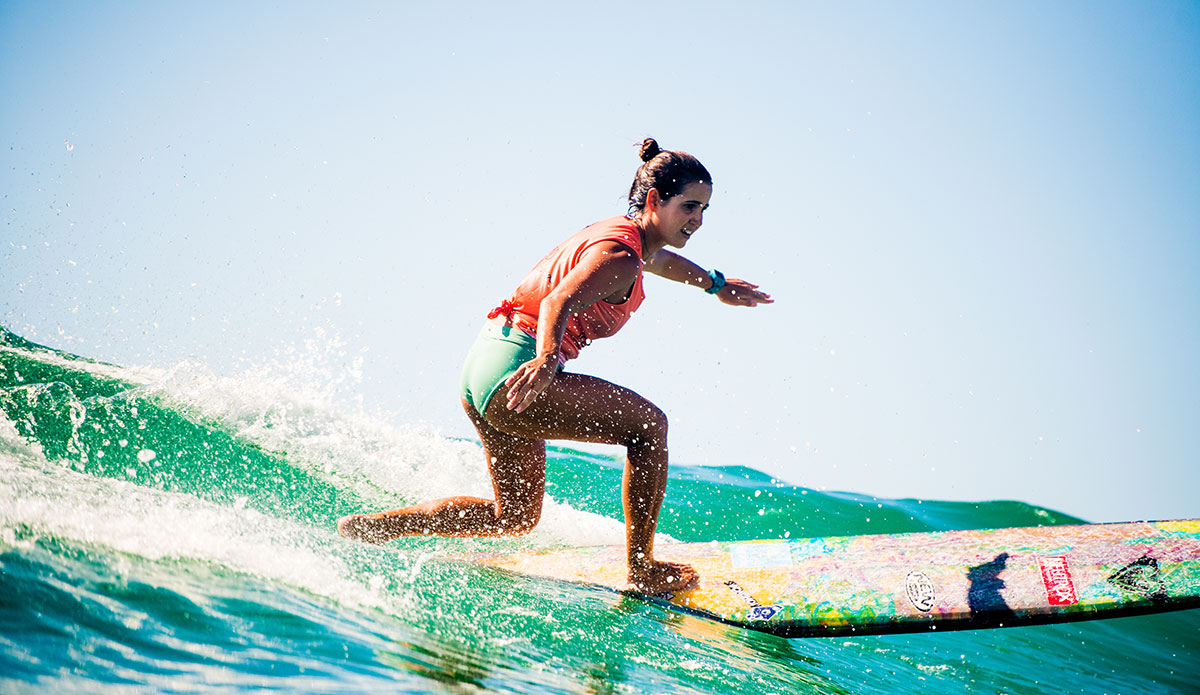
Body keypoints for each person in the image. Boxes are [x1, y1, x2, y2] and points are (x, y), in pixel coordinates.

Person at [338, 138, 773, 593]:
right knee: (649, 427)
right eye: (689, 207)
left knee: (514, 517)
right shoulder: (621, 256)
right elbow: (556, 302)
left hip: (487, 361)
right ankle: (641, 568)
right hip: (521, 366)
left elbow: (659, 261)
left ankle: (372, 529)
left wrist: (715, 284)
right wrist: (547, 360)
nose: (698, 221)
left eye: (704, 210)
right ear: (653, 201)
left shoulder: (625, 240)